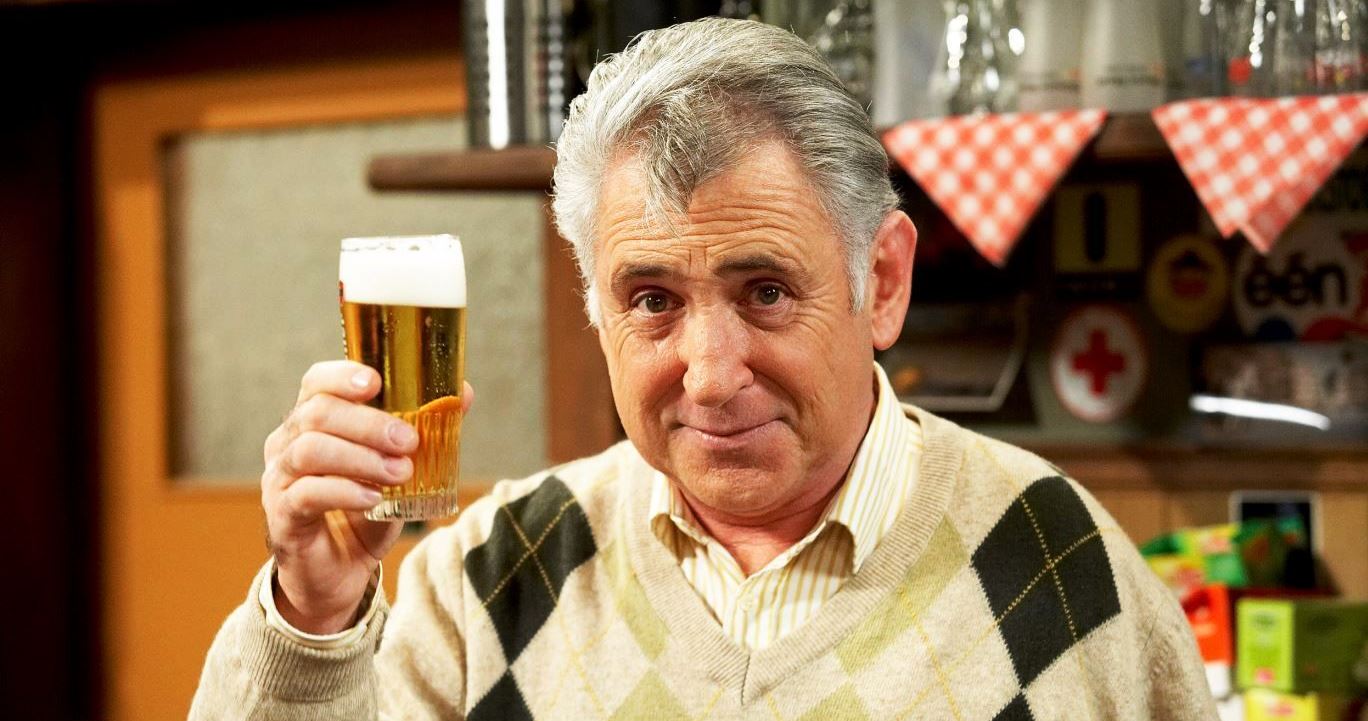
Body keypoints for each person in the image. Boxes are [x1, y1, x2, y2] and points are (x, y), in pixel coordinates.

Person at [190, 17, 1216, 721]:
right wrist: (312, 614)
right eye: (652, 300)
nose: (711, 374)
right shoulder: (492, 576)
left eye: (765, 290)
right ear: (596, 306)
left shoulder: (1056, 565)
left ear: (884, 281)